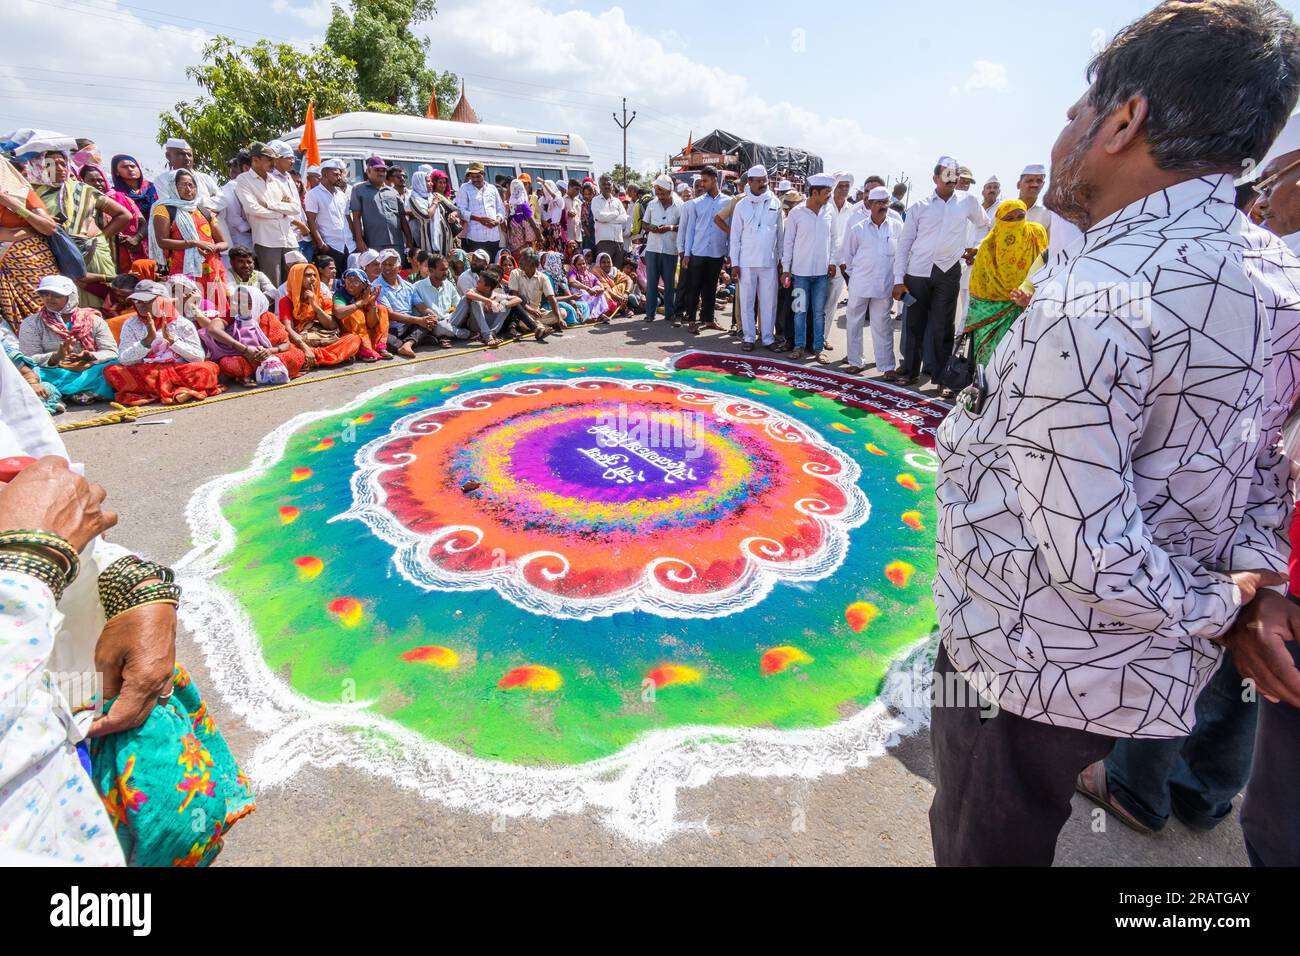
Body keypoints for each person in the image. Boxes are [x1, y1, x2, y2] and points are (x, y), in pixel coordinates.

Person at [928, 0, 1300, 867]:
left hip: (1028, 662)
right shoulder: (1280, 279)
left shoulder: (1092, 296)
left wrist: (1225, 607)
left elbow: (1088, 553)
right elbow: (1264, 468)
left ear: (1124, 122)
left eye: (1077, 108)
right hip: (1132, 670)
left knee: (985, 843)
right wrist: (1251, 586)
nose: (1064, 130)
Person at [891, 156, 987, 392]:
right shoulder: (920, 206)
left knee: (943, 327)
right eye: (946, 174)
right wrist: (898, 280)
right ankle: (911, 371)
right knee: (914, 324)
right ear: (935, 178)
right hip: (918, 272)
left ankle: (943, 378)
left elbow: (984, 225)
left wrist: (976, 245)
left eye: (955, 174)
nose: (952, 178)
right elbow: (904, 244)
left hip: (949, 271)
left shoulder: (968, 201)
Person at [31, 149, 131, 307]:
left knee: (102, 303)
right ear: (39, 167)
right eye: (52, 164)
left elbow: (123, 215)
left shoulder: (83, 190)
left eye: (63, 164)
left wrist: (100, 237)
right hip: (56, 254)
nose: (60, 168)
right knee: (66, 303)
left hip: (93, 253)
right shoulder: (34, 193)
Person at [103, 279, 221, 405]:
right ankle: (180, 391)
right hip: (148, 373)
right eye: (136, 301)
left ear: (162, 301)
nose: (140, 304)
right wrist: (146, 342)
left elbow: (198, 357)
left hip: (179, 369)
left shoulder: (182, 323)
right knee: (112, 371)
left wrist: (172, 341)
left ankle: (160, 392)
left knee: (207, 368)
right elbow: (124, 359)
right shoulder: (131, 324)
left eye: (146, 300)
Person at [960, 198, 1048, 365]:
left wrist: (1029, 297)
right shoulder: (988, 246)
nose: (1015, 222)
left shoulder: (1036, 234)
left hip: (1028, 305)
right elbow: (979, 287)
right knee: (989, 360)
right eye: (1009, 219)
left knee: (1021, 360)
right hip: (991, 312)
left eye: (1020, 217)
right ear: (999, 221)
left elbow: (1045, 268)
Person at [18, 274, 118, 403]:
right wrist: (55, 357)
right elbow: (28, 358)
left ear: (70, 297)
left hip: (88, 369)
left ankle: (64, 393)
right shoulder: (31, 323)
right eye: (44, 294)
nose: (49, 298)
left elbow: (111, 352)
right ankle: (83, 392)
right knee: (33, 372)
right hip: (54, 370)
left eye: (56, 295)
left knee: (114, 365)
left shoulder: (95, 320)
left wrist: (90, 357)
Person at [0, 158, 61, 335]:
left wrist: (12, 204)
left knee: (48, 302)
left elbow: (48, 227)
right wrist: (24, 230)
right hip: (7, 266)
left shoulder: (22, 193)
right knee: (18, 318)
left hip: (37, 263)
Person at [781, 172, 838, 362]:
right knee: (799, 311)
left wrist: (832, 262)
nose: (829, 196)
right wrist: (786, 269)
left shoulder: (830, 212)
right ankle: (798, 346)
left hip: (822, 274)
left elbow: (834, 239)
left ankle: (818, 349)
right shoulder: (797, 213)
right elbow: (788, 243)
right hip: (800, 274)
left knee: (819, 313)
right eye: (826, 193)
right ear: (814, 193)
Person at [149, 169, 228, 304]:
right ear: (173, 187)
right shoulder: (164, 209)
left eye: (191, 185)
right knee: (184, 306)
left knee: (216, 308)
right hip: (180, 269)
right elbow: (162, 242)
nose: (188, 189)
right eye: (183, 185)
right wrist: (195, 243)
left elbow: (224, 243)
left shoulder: (204, 210)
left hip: (210, 267)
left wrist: (213, 247)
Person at [201, 284, 303, 384]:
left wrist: (269, 351)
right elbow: (213, 329)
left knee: (297, 355)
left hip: (269, 355)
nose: (239, 306)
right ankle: (260, 372)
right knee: (227, 363)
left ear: (256, 302)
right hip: (242, 356)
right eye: (237, 301)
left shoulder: (268, 317)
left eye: (245, 302)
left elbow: (286, 343)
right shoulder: (232, 314)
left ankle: (258, 373)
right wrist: (245, 350)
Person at [730, 164, 784, 353]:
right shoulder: (741, 205)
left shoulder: (775, 203)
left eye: (765, 181)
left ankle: (768, 338)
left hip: (769, 262)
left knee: (769, 302)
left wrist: (783, 263)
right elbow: (735, 236)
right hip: (745, 262)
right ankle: (749, 337)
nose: (762, 184)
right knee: (746, 301)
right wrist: (734, 263)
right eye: (759, 181)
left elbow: (781, 236)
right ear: (750, 182)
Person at [235, 142, 304, 287]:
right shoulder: (243, 180)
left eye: (275, 159)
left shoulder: (275, 181)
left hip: (288, 238)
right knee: (272, 284)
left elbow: (295, 207)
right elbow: (252, 208)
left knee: (295, 282)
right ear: (255, 160)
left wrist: (270, 205)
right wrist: (281, 212)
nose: (274, 163)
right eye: (270, 159)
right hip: (267, 240)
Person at [277, 262, 362, 370]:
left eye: (314, 275)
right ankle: (327, 357)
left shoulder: (322, 298)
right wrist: (305, 348)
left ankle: (314, 357)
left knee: (353, 339)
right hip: (301, 341)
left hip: (325, 339)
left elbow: (331, 326)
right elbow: (288, 329)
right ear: (296, 277)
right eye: (308, 275)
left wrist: (315, 305)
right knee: (289, 351)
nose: (313, 279)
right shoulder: (286, 301)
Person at [678, 165, 730, 334]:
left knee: (711, 287)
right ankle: (692, 320)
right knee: (695, 287)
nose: (702, 184)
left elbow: (731, 228)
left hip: (717, 252)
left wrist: (729, 253)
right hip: (698, 252)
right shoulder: (696, 203)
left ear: (715, 180)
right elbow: (690, 229)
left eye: (705, 181)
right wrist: (686, 254)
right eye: (701, 181)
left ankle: (708, 319)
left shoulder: (728, 202)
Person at [77, 163, 143, 275]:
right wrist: (100, 239)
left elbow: (142, 221)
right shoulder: (79, 203)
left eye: (100, 180)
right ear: (82, 182)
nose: (98, 184)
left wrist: (136, 238)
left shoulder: (121, 198)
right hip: (95, 253)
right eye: (92, 180)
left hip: (126, 253)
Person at [407, 253, 471, 352]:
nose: (446, 272)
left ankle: (445, 335)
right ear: (431, 270)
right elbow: (421, 311)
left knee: (466, 299)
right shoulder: (417, 287)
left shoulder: (448, 285)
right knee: (441, 326)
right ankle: (467, 334)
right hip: (433, 324)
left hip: (450, 319)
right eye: (442, 270)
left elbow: (458, 305)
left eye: (446, 269)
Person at [641, 175, 682, 324]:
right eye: (658, 193)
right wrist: (651, 228)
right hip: (653, 248)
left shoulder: (680, 205)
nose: (660, 196)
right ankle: (650, 314)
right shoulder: (652, 204)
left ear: (670, 190)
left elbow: (683, 226)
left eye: (663, 193)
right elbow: (644, 224)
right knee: (651, 282)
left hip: (670, 249)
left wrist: (670, 227)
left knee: (669, 283)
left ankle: (669, 313)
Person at [349, 157, 406, 261]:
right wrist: (359, 240)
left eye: (383, 170)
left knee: (397, 270)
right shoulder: (358, 189)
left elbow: (402, 217)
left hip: (396, 242)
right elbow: (356, 217)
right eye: (377, 170)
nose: (381, 173)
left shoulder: (393, 191)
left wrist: (409, 241)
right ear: (368, 171)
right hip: (374, 243)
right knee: (378, 271)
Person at [305, 158, 354, 278]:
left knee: (349, 279)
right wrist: (321, 244)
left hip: (349, 245)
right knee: (331, 281)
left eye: (340, 174)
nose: (339, 177)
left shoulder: (342, 195)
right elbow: (311, 221)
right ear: (324, 174)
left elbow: (348, 218)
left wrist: (355, 238)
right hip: (331, 245)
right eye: (336, 174)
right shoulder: (313, 194)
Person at [333, 268, 391, 361]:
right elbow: (339, 313)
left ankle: (380, 347)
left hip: (367, 332)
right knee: (356, 312)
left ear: (364, 285)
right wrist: (360, 303)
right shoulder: (341, 294)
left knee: (382, 309)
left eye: (355, 282)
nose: (351, 285)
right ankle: (365, 350)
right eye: (348, 280)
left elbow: (372, 324)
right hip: (350, 333)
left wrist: (372, 304)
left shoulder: (368, 294)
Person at [508, 247, 565, 336]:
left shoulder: (543, 277)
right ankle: (541, 327)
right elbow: (514, 297)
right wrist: (530, 310)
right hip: (522, 313)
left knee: (562, 312)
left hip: (537, 313)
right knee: (522, 320)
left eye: (523, 259)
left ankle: (540, 326)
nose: (519, 262)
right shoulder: (515, 273)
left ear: (532, 262)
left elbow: (552, 298)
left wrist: (560, 318)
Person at [455, 161, 506, 258]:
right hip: (475, 237)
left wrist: (497, 221)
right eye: (472, 177)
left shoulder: (492, 189)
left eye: (478, 176)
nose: (475, 180)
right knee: (478, 266)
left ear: (483, 174)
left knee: (492, 265)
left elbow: (501, 209)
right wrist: (479, 219)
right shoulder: (465, 188)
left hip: (493, 236)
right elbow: (461, 211)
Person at [162, 137, 219, 215]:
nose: (187, 158)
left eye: (189, 155)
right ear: (168, 156)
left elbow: (222, 201)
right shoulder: (162, 180)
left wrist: (200, 202)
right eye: (181, 154)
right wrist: (208, 204)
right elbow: (169, 205)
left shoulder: (205, 177)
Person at [215, 151, 253, 265]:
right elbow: (233, 218)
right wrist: (252, 229)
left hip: (252, 239)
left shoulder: (252, 185)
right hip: (241, 239)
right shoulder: (231, 187)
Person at [591, 175, 629, 267]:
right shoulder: (596, 200)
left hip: (618, 241)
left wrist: (607, 220)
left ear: (612, 186)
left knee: (617, 270)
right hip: (604, 241)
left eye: (609, 184)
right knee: (604, 271)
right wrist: (615, 213)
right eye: (604, 184)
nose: (607, 186)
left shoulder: (617, 201)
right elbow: (599, 216)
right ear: (600, 186)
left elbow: (624, 218)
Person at [109, 154, 158, 226]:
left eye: (133, 166)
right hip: (132, 235)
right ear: (117, 172)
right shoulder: (115, 195)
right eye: (124, 167)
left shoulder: (154, 188)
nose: (130, 169)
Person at [567, 252, 613, 322]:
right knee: (576, 288)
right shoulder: (573, 273)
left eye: (584, 263)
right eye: (579, 264)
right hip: (579, 299)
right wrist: (587, 289)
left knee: (598, 289)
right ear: (574, 265)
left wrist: (600, 290)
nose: (582, 266)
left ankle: (595, 315)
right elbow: (571, 282)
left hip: (589, 297)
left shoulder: (589, 274)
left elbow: (600, 285)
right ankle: (598, 315)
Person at [505, 179, 543, 256]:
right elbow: (534, 225)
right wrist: (540, 238)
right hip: (525, 247)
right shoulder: (524, 206)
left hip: (514, 247)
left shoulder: (509, 205)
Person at [537, 178, 567, 251]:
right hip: (545, 230)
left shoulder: (559, 199)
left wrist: (544, 182)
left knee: (556, 251)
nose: (543, 190)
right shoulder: (541, 200)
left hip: (555, 229)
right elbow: (539, 214)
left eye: (545, 188)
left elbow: (553, 196)